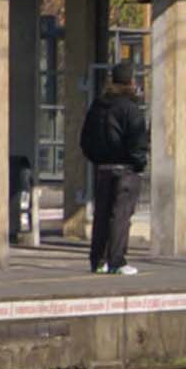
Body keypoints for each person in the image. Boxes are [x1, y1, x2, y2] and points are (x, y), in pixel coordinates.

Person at [79, 66, 152, 276]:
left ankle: (98, 260)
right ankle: (117, 261)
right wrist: (138, 164)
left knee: (101, 215)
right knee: (120, 215)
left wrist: (96, 159)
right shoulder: (131, 108)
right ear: (130, 82)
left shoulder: (98, 105)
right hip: (126, 169)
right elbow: (138, 140)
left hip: (102, 168)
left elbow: (85, 139)